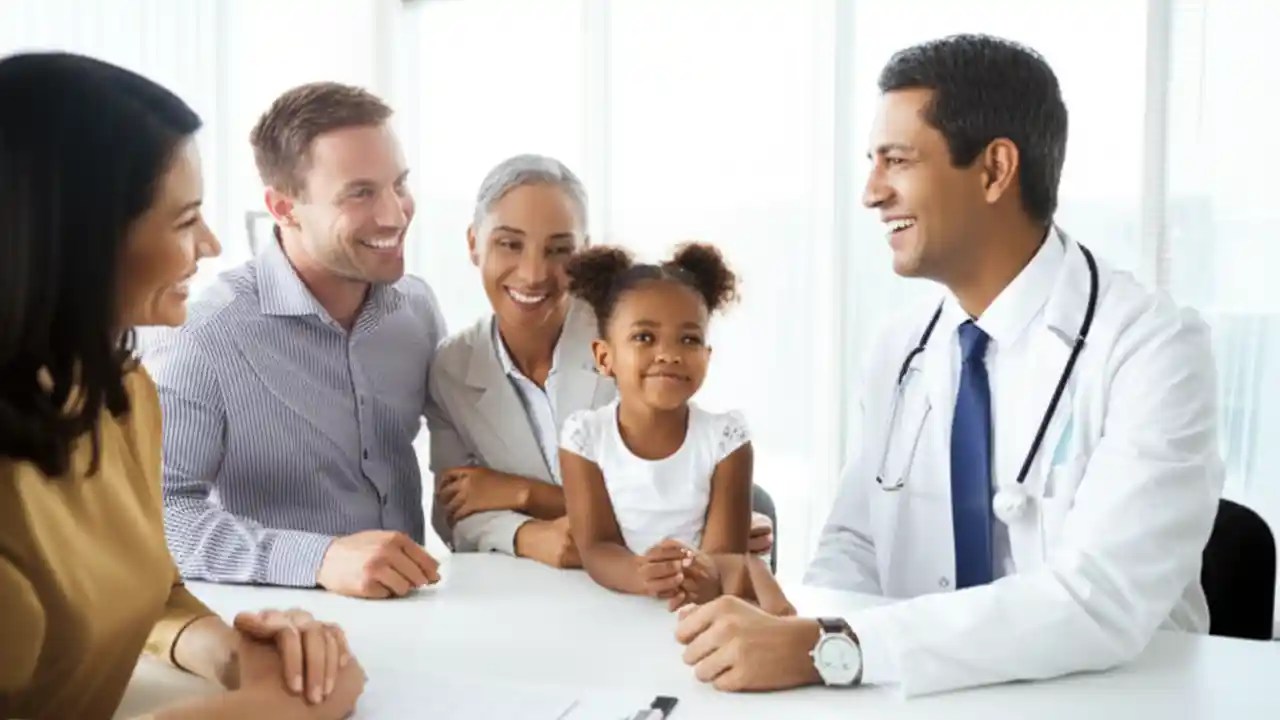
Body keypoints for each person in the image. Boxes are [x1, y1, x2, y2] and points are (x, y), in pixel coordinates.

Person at [674, 34, 1223, 696]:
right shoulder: (900, 349)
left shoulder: (1152, 347)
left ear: (994, 170)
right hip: (921, 698)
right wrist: (796, 625)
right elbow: (856, 546)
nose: (872, 192)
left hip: (1111, 701)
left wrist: (829, 647)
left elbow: (1099, 599)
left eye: (897, 161)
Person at [0, 52, 362, 718]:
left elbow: (153, 593)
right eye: (184, 220)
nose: (213, 244)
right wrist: (275, 711)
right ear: (82, 240)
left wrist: (239, 655)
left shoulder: (121, 393)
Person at [144, 82, 444, 598]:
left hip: (420, 618)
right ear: (284, 208)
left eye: (399, 184)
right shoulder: (205, 338)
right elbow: (156, 516)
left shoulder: (415, 311)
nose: (395, 214)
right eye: (360, 193)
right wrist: (318, 558)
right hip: (280, 636)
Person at [427, 155, 776, 569]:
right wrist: (526, 535)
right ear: (473, 243)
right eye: (509, 244)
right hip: (537, 588)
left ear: (584, 254)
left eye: (559, 250)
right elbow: (454, 512)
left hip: (658, 583)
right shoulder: (453, 366)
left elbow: (668, 500)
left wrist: (523, 494)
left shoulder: (631, 339)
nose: (534, 273)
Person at [558, 244, 787, 613]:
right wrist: (639, 573)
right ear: (605, 357)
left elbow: (724, 558)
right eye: (644, 337)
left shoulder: (727, 440)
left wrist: (701, 577)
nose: (669, 354)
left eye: (689, 339)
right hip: (619, 609)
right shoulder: (584, 438)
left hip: (704, 613)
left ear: (707, 357)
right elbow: (597, 547)